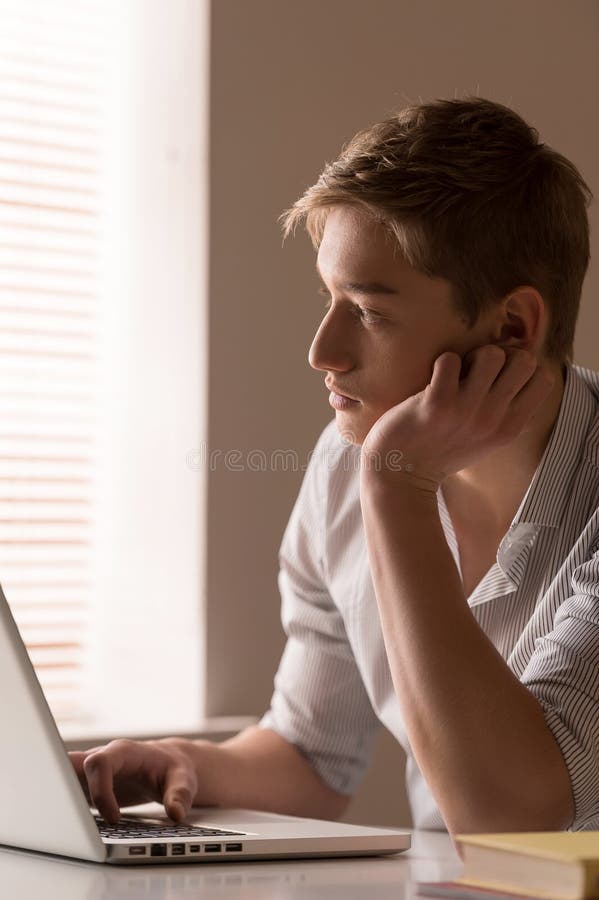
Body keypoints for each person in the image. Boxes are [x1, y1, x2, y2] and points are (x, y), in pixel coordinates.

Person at [70, 96, 599, 837]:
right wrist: (184, 761)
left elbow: (514, 815)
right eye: (329, 297)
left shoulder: (381, 468)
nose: (322, 351)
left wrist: (397, 489)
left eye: (370, 312)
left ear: (511, 328)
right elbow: (312, 756)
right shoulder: (347, 464)